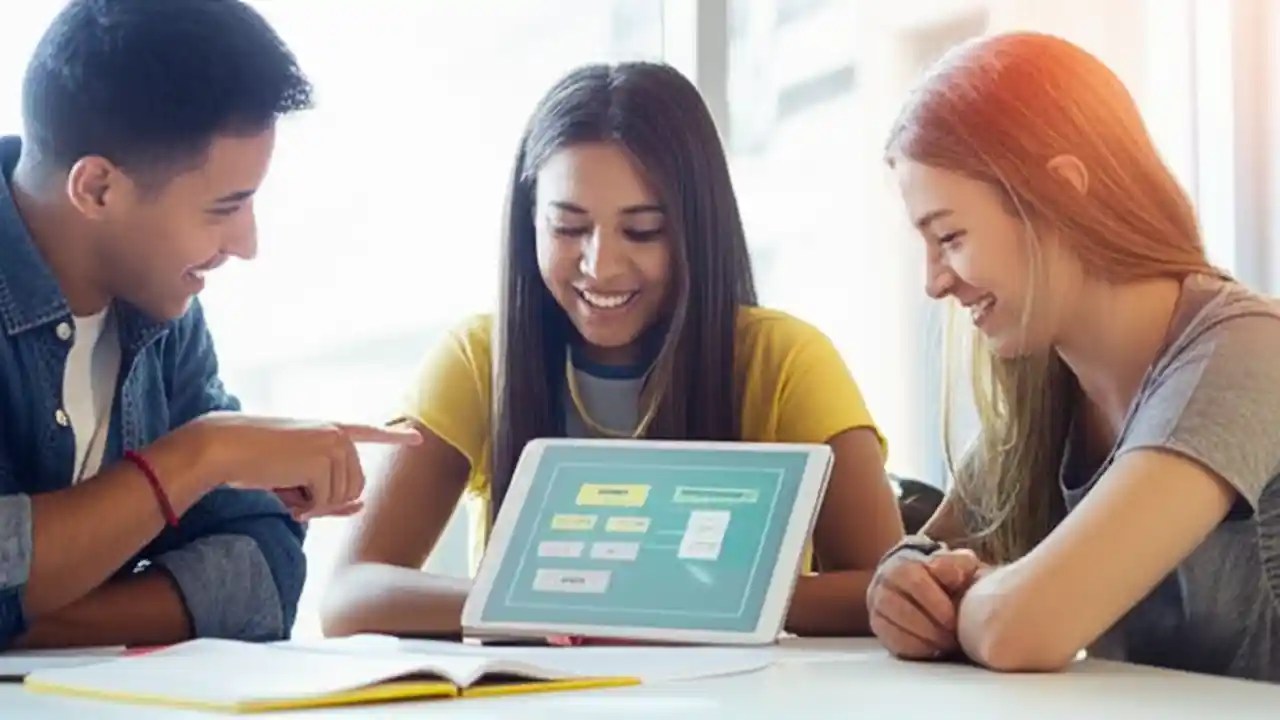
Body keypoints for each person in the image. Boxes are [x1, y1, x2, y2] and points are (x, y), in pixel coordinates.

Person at [320, 61, 905, 639]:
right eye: (569, 228)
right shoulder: (479, 358)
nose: (601, 265)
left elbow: (889, 590)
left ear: (697, 228)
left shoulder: (785, 360)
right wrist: (547, 603)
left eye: (643, 230)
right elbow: (350, 593)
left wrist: (655, 595)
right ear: (530, 224)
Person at [0, 0, 418, 650]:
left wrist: (36, 623)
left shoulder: (162, 312)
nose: (246, 244)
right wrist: (201, 453)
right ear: (98, 190)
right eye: (224, 208)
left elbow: (262, 567)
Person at [867, 31, 1280, 682]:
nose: (935, 281)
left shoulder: (1250, 352)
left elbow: (1022, 629)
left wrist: (977, 600)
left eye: (950, 237)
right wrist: (903, 580)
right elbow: (938, 554)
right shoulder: (1051, 379)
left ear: (1061, 192)